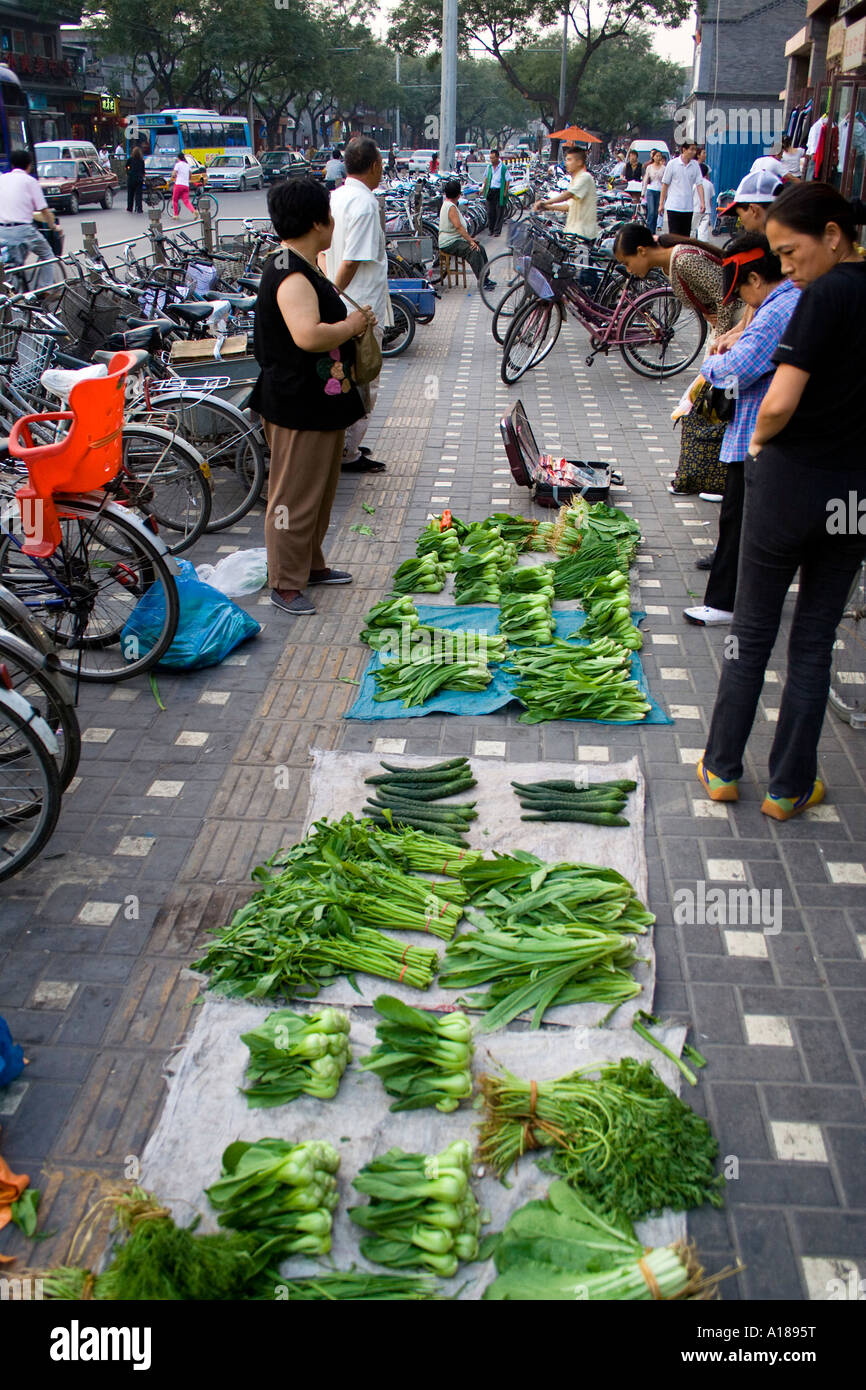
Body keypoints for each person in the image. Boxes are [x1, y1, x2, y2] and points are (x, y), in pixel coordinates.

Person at [697, 183, 866, 820]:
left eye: (790, 252)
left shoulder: (819, 297)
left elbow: (778, 403)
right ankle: (790, 786)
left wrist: (762, 444)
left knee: (753, 632)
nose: (786, 268)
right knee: (815, 639)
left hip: (792, 486)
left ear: (832, 233)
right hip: (855, 498)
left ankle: (721, 767)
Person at [250, 176, 373, 616]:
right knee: (290, 498)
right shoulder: (290, 272)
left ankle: (311, 566)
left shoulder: (302, 262)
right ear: (318, 220)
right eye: (328, 213)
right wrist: (353, 327)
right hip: (296, 403)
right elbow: (307, 335)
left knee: (318, 494)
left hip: (318, 400)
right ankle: (284, 581)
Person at [682, 233, 800, 627]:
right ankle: (747, 597)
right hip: (760, 431)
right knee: (746, 519)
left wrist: (710, 368)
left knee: (739, 519)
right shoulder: (780, 302)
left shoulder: (778, 308)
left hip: (758, 434)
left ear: (753, 279)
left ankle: (724, 604)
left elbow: (741, 367)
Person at [323, 135, 392, 474]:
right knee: (365, 379)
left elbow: (325, 253)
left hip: (344, 307)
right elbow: (351, 261)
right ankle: (347, 453)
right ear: (375, 166)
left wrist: (327, 295)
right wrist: (333, 293)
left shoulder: (335, 197)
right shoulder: (365, 204)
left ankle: (344, 445)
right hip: (359, 309)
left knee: (344, 379)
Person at [0, 150, 58, 289]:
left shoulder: (2, 178)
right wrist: (53, 226)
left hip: (2, 230)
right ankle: (45, 288)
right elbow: (44, 210)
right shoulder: (30, 181)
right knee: (47, 255)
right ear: (29, 165)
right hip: (23, 230)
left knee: (10, 266)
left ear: (12, 164)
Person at [533, 145, 598, 242]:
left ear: (579, 162)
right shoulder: (575, 179)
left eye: (569, 160)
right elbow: (568, 207)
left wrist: (546, 203)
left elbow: (568, 195)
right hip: (573, 232)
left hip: (583, 234)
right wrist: (548, 207)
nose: (566, 163)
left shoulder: (585, 177)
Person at [438, 177, 490, 283]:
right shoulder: (450, 207)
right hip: (449, 242)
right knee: (473, 251)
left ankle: (486, 276)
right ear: (458, 194)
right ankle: (483, 281)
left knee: (480, 247)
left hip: (455, 239)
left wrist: (470, 240)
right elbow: (459, 227)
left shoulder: (449, 204)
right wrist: (470, 241)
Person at [659, 141, 704, 235]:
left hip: (688, 207)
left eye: (695, 149)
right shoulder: (672, 164)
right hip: (673, 206)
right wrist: (661, 204)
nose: (694, 152)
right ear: (684, 149)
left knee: (685, 237)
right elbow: (665, 184)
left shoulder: (695, 165)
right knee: (674, 236)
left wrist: (702, 202)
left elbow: (699, 184)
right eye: (691, 149)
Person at [482, 148, 509, 236]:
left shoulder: (503, 168)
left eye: (493, 158)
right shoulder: (489, 167)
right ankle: (491, 229)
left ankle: (497, 231)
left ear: (497, 158)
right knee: (490, 212)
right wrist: (483, 188)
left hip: (499, 191)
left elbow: (508, 180)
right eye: (490, 158)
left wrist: (505, 191)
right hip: (490, 191)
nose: (491, 160)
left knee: (499, 212)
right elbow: (486, 178)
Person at [641, 149, 666, 233]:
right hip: (651, 190)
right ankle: (649, 231)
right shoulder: (649, 167)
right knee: (651, 212)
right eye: (656, 156)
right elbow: (645, 180)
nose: (658, 158)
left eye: (660, 156)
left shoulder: (663, 168)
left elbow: (665, 182)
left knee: (656, 213)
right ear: (653, 157)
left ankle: (653, 231)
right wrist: (643, 193)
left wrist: (666, 194)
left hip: (660, 191)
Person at [692, 161, 715, 240]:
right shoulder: (710, 184)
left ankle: (691, 245)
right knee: (703, 230)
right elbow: (710, 198)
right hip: (707, 210)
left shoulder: (694, 184)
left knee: (692, 229)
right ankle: (702, 245)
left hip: (695, 209)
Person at [171, 152, 194, 218]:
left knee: (175, 200)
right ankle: (194, 211)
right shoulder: (187, 165)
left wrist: (173, 176)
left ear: (178, 158)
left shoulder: (178, 165)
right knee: (186, 201)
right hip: (186, 186)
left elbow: (174, 174)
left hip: (178, 184)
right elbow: (190, 175)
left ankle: (176, 215)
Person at [126, 141, 145, 214]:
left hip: (131, 178)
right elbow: (143, 170)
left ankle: (129, 208)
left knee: (130, 194)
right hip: (139, 179)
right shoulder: (141, 160)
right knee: (138, 195)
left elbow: (126, 166)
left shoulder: (130, 159)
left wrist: (128, 172)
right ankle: (139, 208)